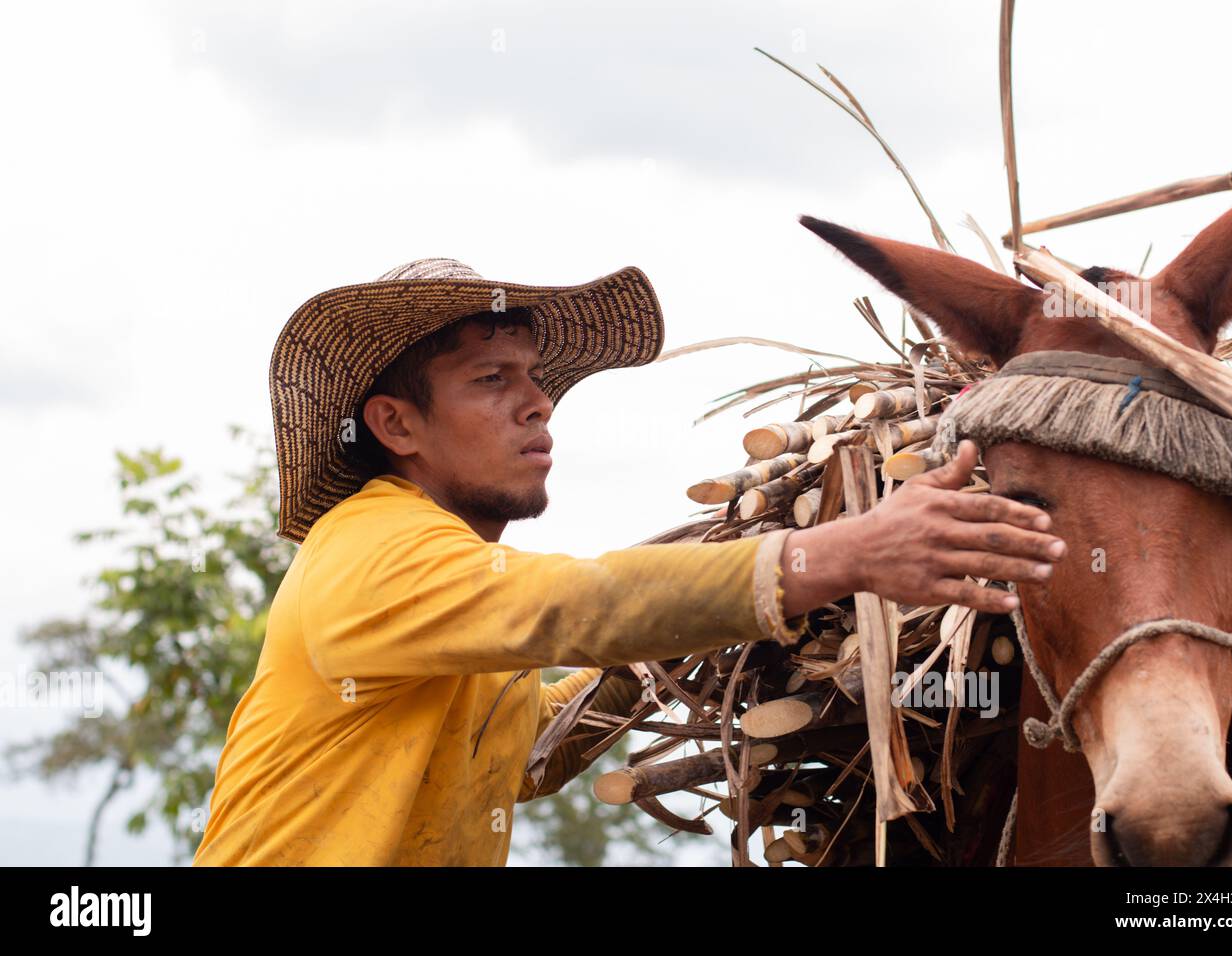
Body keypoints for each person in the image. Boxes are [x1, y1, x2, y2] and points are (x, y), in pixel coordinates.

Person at [192, 257, 1064, 866]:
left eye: (533, 379)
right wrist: (842, 553)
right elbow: (574, 604)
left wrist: (674, 652)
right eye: (493, 379)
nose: (539, 405)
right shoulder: (371, 547)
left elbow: (528, 749)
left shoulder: (443, 585)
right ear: (396, 425)